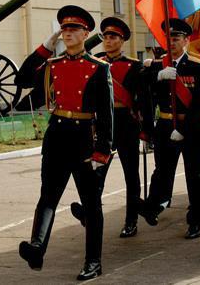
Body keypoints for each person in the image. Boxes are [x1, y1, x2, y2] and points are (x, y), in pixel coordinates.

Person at [15, 5, 113, 281]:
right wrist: (46, 46)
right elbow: (21, 79)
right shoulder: (52, 65)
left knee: (91, 205)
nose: (67, 33)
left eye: (73, 29)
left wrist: (102, 151)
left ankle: (93, 262)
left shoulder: (98, 68)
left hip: (85, 138)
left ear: (86, 33)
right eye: (64, 29)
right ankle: (37, 248)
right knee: (48, 196)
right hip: (58, 135)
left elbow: (106, 115)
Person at [69, 17, 153, 238]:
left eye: (113, 37)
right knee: (97, 172)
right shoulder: (96, 62)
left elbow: (143, 100)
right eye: (105, 36)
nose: (108, 40)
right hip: (103, 123)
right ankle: (89, 212)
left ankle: (131, 220)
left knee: (131, 175)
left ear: (122, 40)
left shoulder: (134, 66)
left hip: (126, 122)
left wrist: (146, 128)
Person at [139, 18, 200, 240]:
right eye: (168, 38)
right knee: (162, 171)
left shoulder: (198, 66)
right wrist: (157, 75)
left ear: (186, 41)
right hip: (165, 125)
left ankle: (196, 221)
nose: (171, 42)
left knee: (194, 176)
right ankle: (154, 206)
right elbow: (141, 88)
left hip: (190, 127)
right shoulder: (158, 65)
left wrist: (185, 129)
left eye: (176, 38)